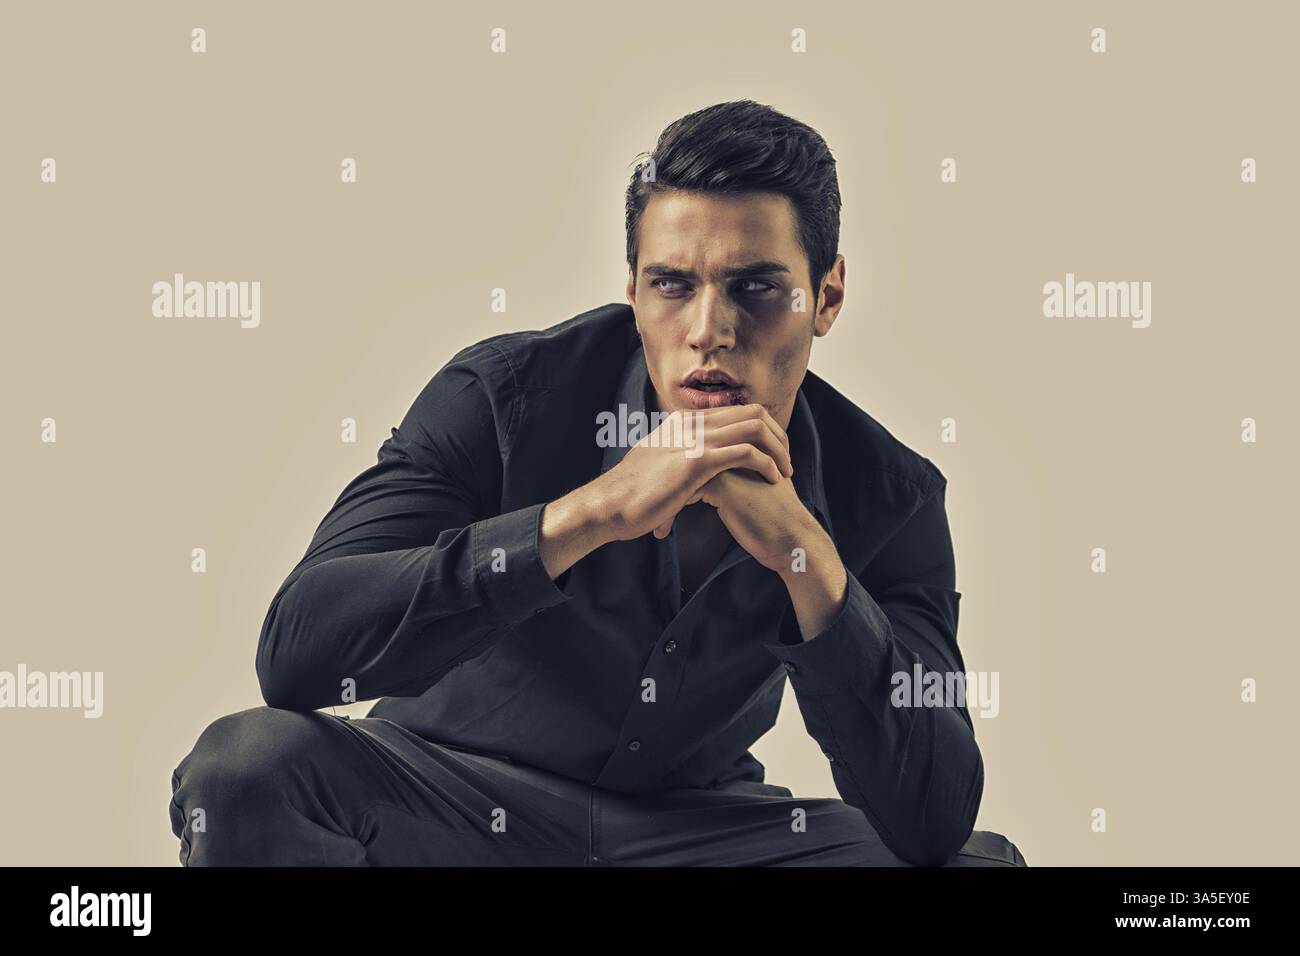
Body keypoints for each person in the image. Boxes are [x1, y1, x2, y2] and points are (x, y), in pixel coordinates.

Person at [169, 99, 1027, 867]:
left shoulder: (890, 493)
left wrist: (808, 555)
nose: (708, 331)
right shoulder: (502, 398)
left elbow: (932, 817)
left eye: (757, 288)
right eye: (672, 285)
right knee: (247, 770)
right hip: (452, 808)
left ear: (827, 296)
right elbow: (297, 656)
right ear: (632, 288)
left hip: (694, 833)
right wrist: (590, 515)